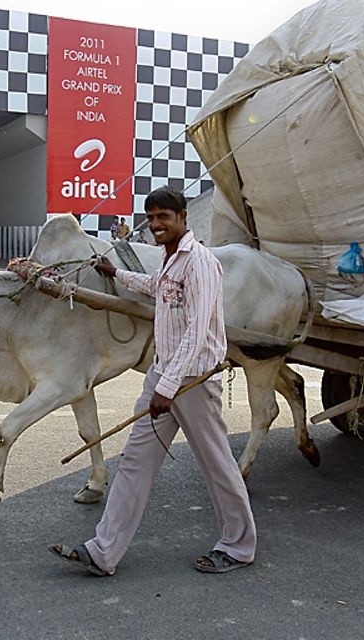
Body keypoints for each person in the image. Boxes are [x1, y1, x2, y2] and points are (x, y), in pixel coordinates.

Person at [50, 186, 254, 576]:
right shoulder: (171, 261)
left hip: (192, 381)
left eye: (164, 216)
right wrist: (117, 274)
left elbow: (196, 331)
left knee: (217, 466)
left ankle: (239, 546)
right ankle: (103, 551)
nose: (156, 224)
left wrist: (167, 387)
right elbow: (158, 287)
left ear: (182, 218)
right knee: (133, 464)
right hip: (164, 376)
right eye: (151, 216)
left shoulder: (201, 263)